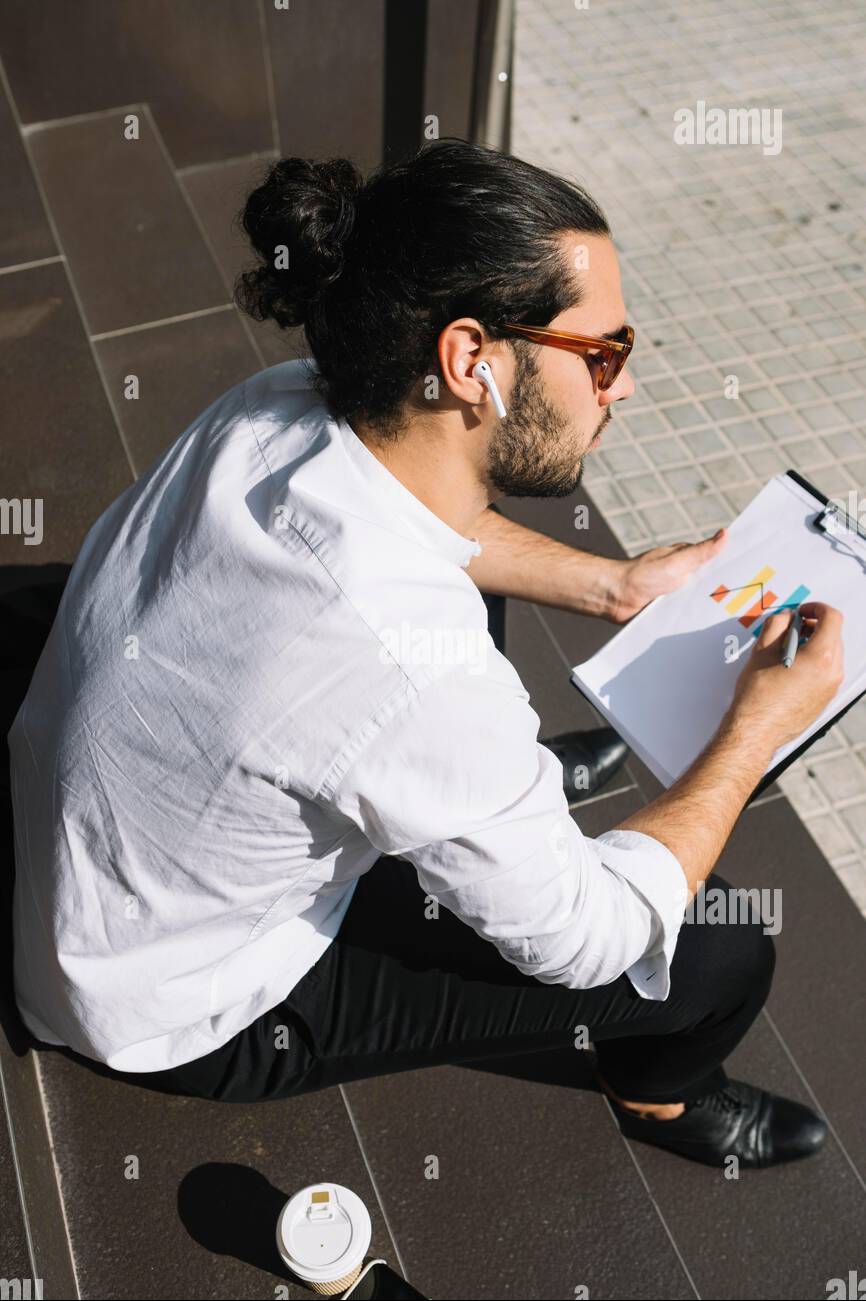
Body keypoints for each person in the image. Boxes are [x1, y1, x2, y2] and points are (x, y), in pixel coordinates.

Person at [8, 139, 842, 1170]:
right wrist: (754, 727)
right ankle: (657, 1091)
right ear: (468, 362)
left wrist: (608, 584)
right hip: (176, 999)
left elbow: (414, 531)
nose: (619, 391)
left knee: (467, 624)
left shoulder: (275, 407)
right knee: (714, 953)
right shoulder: (413, 670)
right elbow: (591, 937)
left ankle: (494, 798)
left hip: (108, 865)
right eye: (602, 355)